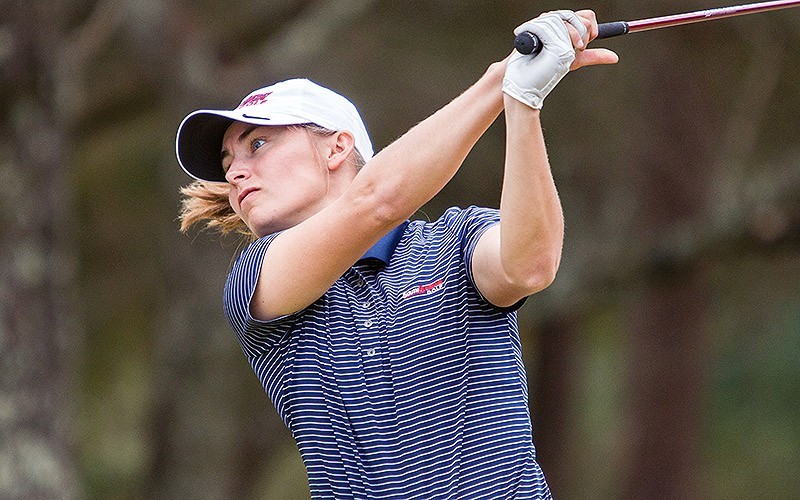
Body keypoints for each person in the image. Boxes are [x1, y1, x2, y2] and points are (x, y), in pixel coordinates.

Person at [176, 9, 617, 499]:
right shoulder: (255, 277)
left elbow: (529, 266)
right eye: (228, 161)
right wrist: (500, 80)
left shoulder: (457, 238)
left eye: (257, 144)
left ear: (337, 148)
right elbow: (376, 203)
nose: (236, 173)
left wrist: (523, 103)